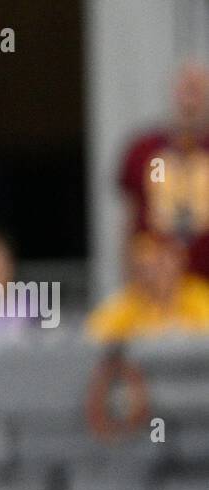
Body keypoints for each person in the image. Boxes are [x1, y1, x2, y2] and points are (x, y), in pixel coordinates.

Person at [119, 62, 209, 280]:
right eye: (186, 89)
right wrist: (131, 277)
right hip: (156, 287)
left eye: (197, 90)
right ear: (173, 92)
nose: (190, 100)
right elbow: (130, 219)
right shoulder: (143, 150)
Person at [87, 231, 209, 342]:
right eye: (144, 266)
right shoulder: (123, 307)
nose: (153, 272)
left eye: (161, 263)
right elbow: (95, 340)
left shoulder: (200, 296)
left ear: (180, 261)